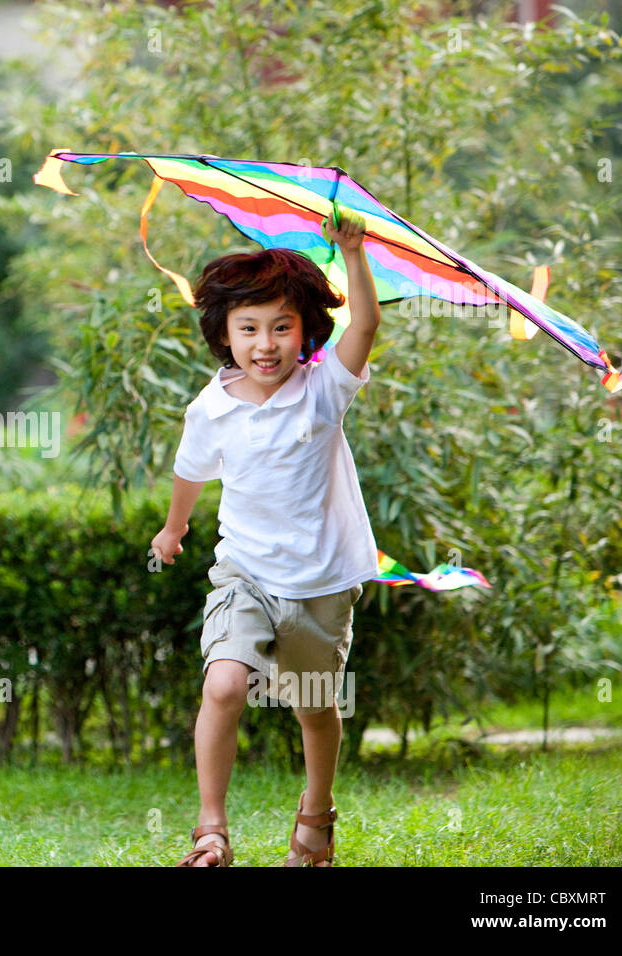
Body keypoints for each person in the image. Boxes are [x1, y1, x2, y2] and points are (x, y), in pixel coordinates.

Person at [150, 209, 380, 866]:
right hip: (244, 573)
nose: (266, 342)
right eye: (249, 328)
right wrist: (174, 528)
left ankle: (316, 816)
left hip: (321, 579)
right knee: (223, 684)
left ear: (306, 330)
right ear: (223, 334)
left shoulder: (324, 390)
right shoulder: (211, 407)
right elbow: (189, 471)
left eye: (283, 326)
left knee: (313, 707)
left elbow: (365, 324)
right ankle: (211, 829)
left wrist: (354, 254)